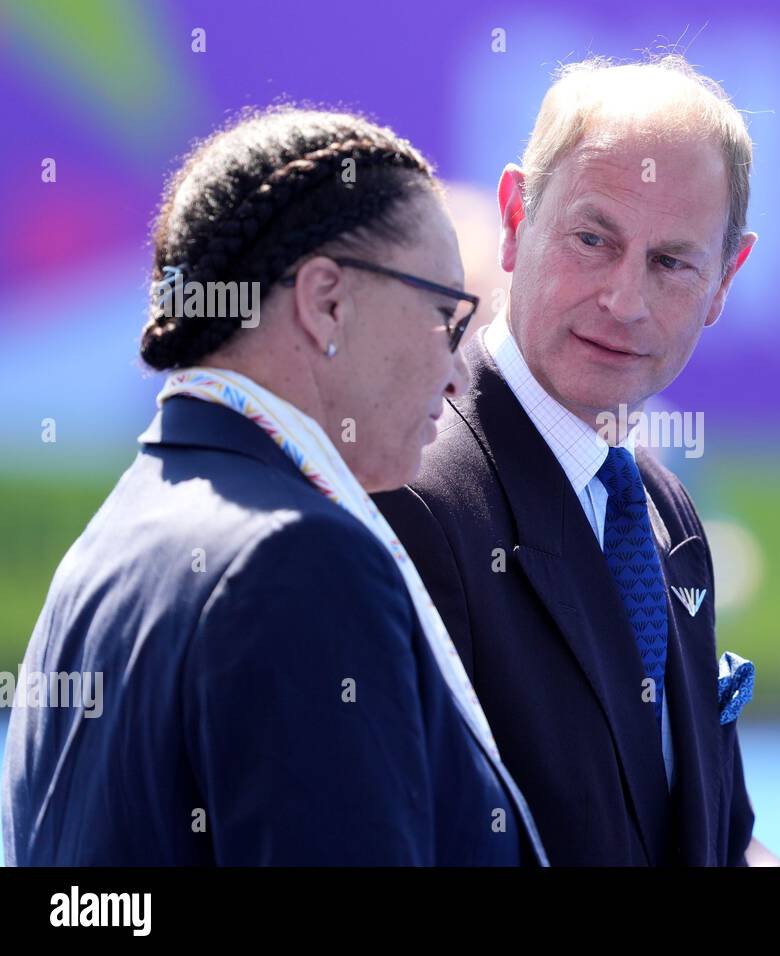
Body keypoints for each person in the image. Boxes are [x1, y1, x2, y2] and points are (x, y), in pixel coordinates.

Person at [1, 107, 546, 866]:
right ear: (327, 301)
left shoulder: (113, 540)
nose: (458, 372)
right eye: (445, 316)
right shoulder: (299, 560)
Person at [374, 55, 780, 865]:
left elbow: (713, 841)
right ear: (517, 219)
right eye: (593, 239)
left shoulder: (664, 512)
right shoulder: (413, 492)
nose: (625, 300)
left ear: (725, 279)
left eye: (671, 263)